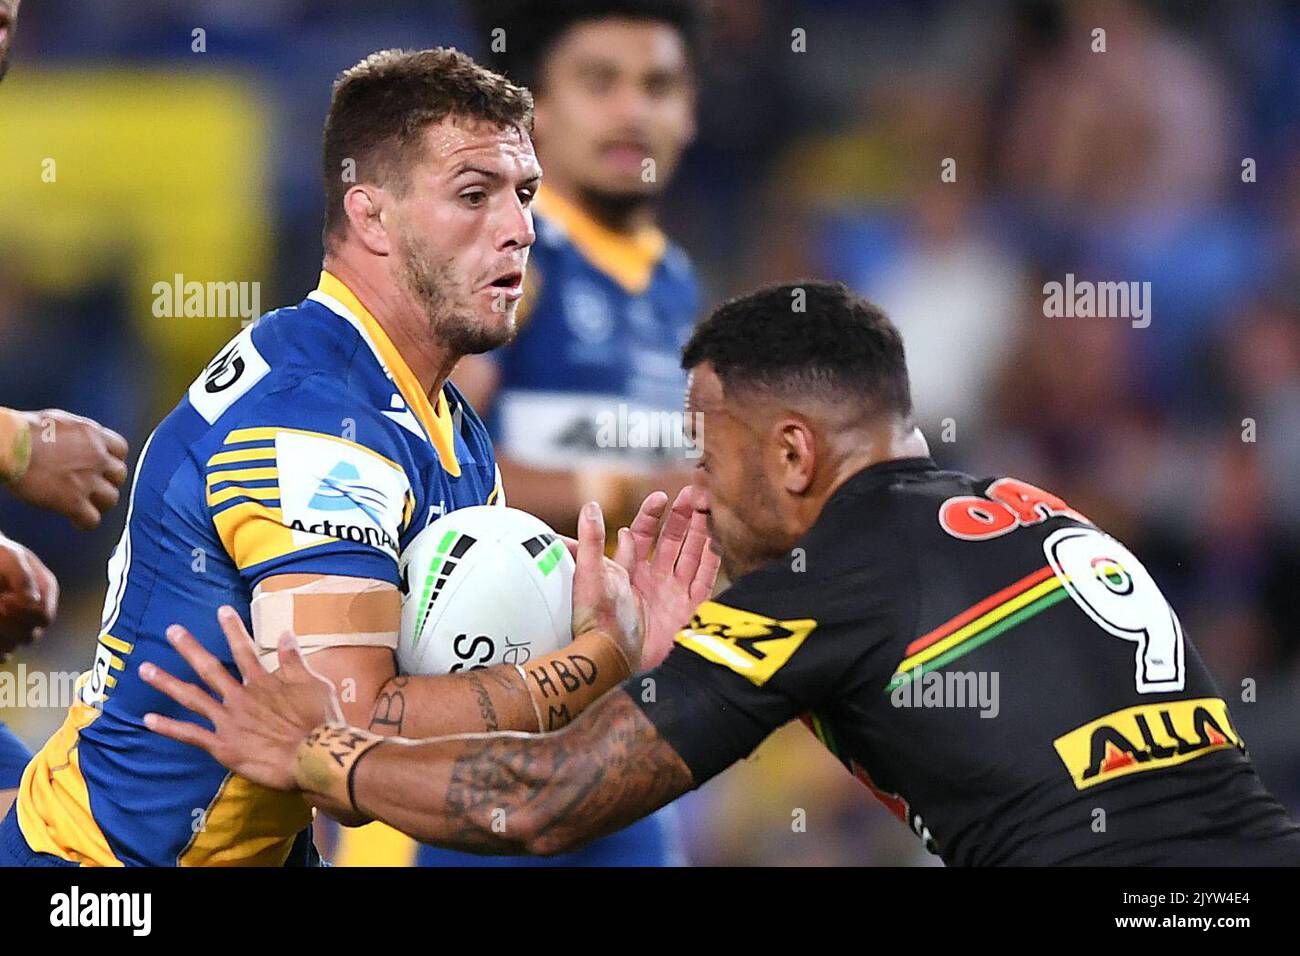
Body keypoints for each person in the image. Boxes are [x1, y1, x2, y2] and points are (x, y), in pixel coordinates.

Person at [145, 282, 1300, 865]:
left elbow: (543, 798)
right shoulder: (1008, 508)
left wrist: (319, 752)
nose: (690, 487)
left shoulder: (834, 572)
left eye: (705, 447)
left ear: (794, 451)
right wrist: (657, 667)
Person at [0, 46, 712, 867]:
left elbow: (454, 709)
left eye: (524, 195)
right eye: (474, 196)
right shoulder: (313, 426)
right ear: (371, 216)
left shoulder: (437, 416)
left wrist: (620, 651)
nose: (520, 229)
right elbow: (346, 735)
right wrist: (601, 653)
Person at [405, 0, 701, 869]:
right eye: (599, 82)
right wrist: (622, 491)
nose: (633, 112)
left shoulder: (674, 282)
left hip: (611, 726)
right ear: (536, 110)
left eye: (659, 86)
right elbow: (423, 466)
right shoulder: (509, 255)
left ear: (690, 113)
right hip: (467, 729)